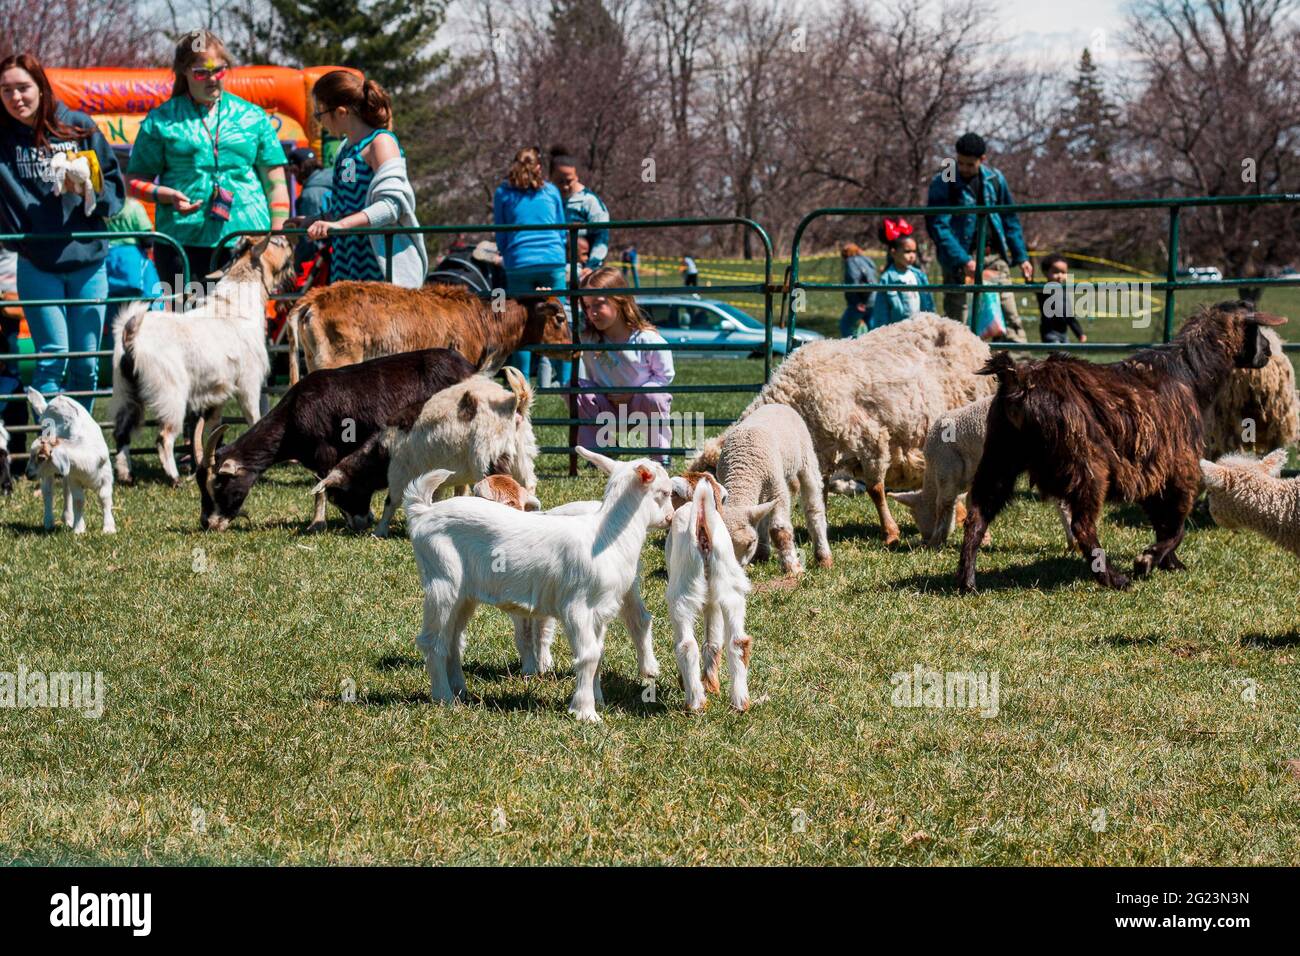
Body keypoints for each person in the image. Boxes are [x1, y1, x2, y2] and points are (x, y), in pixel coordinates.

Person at [0, 52, 125, 412]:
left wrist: (87, 191)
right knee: (53, 358)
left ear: (41, 86)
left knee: (86, 364)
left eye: (23, 87)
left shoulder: (79, 126)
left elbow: (115, 194)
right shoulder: (3, 138)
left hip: (88, 261)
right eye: (5, 90)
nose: (16, 97)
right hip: (36, 262)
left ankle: (79, 445)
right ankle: (50, 449)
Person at [126, 30, 289, 300]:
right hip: (182, 243)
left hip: (247, 242)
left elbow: (276, 182)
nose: (212, 79)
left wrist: (278, 237)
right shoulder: (161, 121)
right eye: (201, 72)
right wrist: (164, 195)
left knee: (241, 328)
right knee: (185, 326)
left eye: (220, 70)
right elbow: (132, 182)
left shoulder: (253, 117)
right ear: (184, 72)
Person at [306, 71, 425, 287]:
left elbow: (392, 206)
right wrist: (316, 220)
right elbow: (347, 206)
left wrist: (341, 225)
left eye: (319, 113)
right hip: (346, 262)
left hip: (379, 267)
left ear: (341, 112)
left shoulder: (381, 143)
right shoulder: (345, 149)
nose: (319, 121)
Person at [924, 132, 1031, 341]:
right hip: (959, 262)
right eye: (960, 162)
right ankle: (959, 370)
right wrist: (963, 259)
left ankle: (1015, 366)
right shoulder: (945, 181)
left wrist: (1022, 256)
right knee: (958, 323)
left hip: (993, 258)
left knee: (1009, 318)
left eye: (969, 164)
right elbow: (938, 225)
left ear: (982, 160)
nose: (963, 169)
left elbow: (1009, 219)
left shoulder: (995, 179)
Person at [575, 266, 674, 466]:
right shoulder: (588, 337)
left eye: (598, 304)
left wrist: (631, 393)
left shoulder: (647, 339)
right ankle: (598, 454)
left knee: (653, 394)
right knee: (580, 391)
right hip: (606, 406)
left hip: (640, 404)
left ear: (620, 301)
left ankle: (660, 455)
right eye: (586, 306)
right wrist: (549, 300)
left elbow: (665, 377)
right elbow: (561, 322)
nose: (591, 312)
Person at [493, 146, 567, 380]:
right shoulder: (551, 191)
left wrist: (510, 256)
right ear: (538, 167)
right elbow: (562, 229)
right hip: (552, 259)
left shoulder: (503, 193)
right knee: (559, 315)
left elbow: (501, 233)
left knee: (521, 322)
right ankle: (567, 381)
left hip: (519, 261)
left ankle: (520, 379)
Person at [549, 145, 610, 275]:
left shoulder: (589, 201)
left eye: (569, 181)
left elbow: (601, 237)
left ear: (576, 176)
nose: (565, 186)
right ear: (550, 178)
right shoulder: (546, 201)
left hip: (582, 270)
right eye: (560, 181)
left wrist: (592, 266)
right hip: (553, 266)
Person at [104, 196, 162, 310]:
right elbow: (147, 239)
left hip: (107, 261)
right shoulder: (133, 205)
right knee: (149, 296)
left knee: (113, 306)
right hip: (133, 260)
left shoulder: (99, 206)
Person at [870, 234, 934, 330]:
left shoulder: (919, 276)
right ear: (893, 253)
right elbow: (881, 311)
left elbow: (928, 303)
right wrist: (881, 331)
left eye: (914, 251)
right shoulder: (887, 279)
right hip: (898, 330)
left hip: (919, 327)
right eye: (907, 251)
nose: (912, 256)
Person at [284, 145, 333, 263]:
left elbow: (311, 238)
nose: (294, 177)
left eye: (293, 171)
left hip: (321, 262)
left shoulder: (309, 195)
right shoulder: (333, 179)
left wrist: (299, 264)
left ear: (300, 168)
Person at [1036, 253, 1087, 345]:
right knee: (1060, 356)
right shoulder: (1043, 289)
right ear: (1045, 272)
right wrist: (1028, 278)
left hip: (1063, 333)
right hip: (1050, 333)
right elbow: (1031, 283)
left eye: (1063, 272)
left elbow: (1069, 316)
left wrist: (1079, 333)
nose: (1060, 276)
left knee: (1066, 357)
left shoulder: (1065, 292)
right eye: (1056, 272)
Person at [839, 241, 877, 337]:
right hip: (873, 298)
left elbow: (853, 281)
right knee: (871, 327)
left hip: (860, 301)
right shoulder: (867, 260)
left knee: (845, 325)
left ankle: (850, 345)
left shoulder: (851, 261)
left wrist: (856, 302)